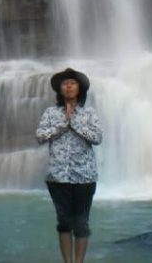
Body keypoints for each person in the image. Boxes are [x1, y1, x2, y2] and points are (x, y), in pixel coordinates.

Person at [36, 67, 102, 263]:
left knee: (81, 224)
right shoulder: (50, 113)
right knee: (64, 223)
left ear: (79, 88)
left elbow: (98, 137)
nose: (69, 86)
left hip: (85, 176)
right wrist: (63, 123)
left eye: (72, 83)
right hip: (58, 176)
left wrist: (75, 123)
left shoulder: (89, 113)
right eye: (65, 84)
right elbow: (40, 136)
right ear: (60, 90)